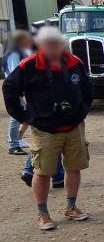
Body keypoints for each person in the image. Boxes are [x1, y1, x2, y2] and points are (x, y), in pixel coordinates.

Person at [2, 26, 92, 230]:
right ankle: (43, 213)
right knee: (42, 171)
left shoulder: (74, 62)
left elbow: (87, 90)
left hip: (74, 127)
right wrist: (24, 116)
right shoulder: (29, 65)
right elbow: (9, 88)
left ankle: (71, 207)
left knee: (74, 167)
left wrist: (82, 111)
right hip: (44, 129)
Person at [3, 30, 34, 154]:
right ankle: (13, 144)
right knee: (16, 116)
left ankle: (17, 140)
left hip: (17, 87)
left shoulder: (17, 52)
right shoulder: (13, 54)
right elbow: (15, 72)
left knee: (25, 113)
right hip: (15, 88)